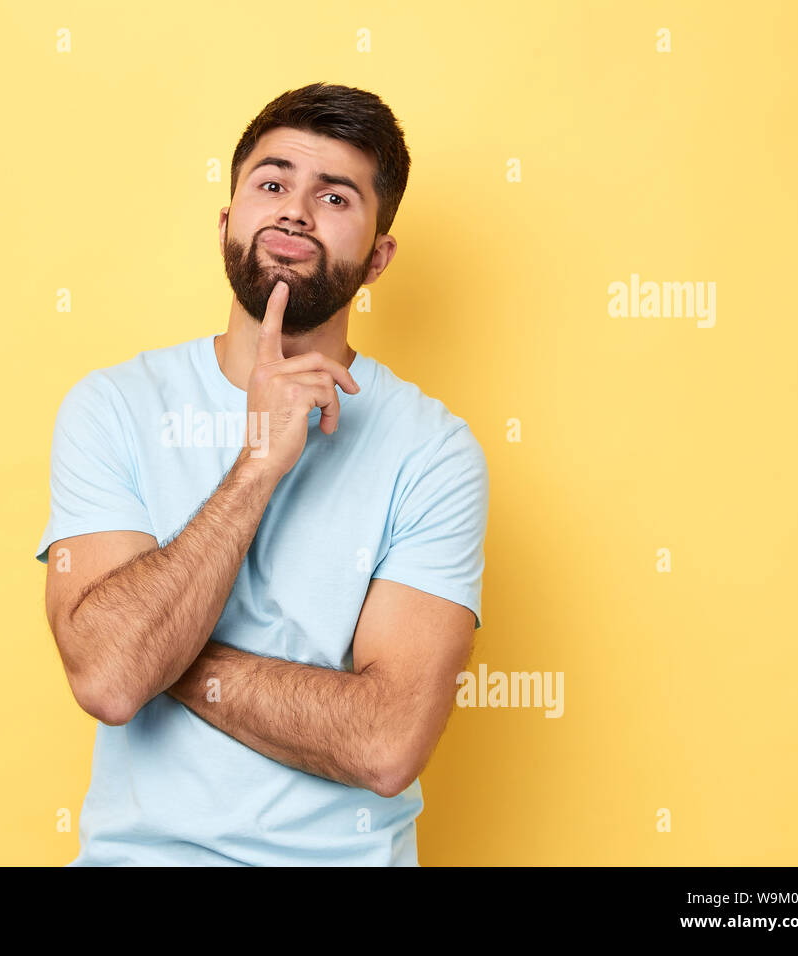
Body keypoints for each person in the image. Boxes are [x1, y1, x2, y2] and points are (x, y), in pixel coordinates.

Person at [35, 82, 488, 865]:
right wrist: (258, 464)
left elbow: (384, 744)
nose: (294, 212)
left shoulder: (434, 451)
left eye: (335, 197)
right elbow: (110, 681)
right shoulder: (111, 407)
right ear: (227, 222)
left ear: (378, 258)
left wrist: (160, 652)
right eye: (272, 184)